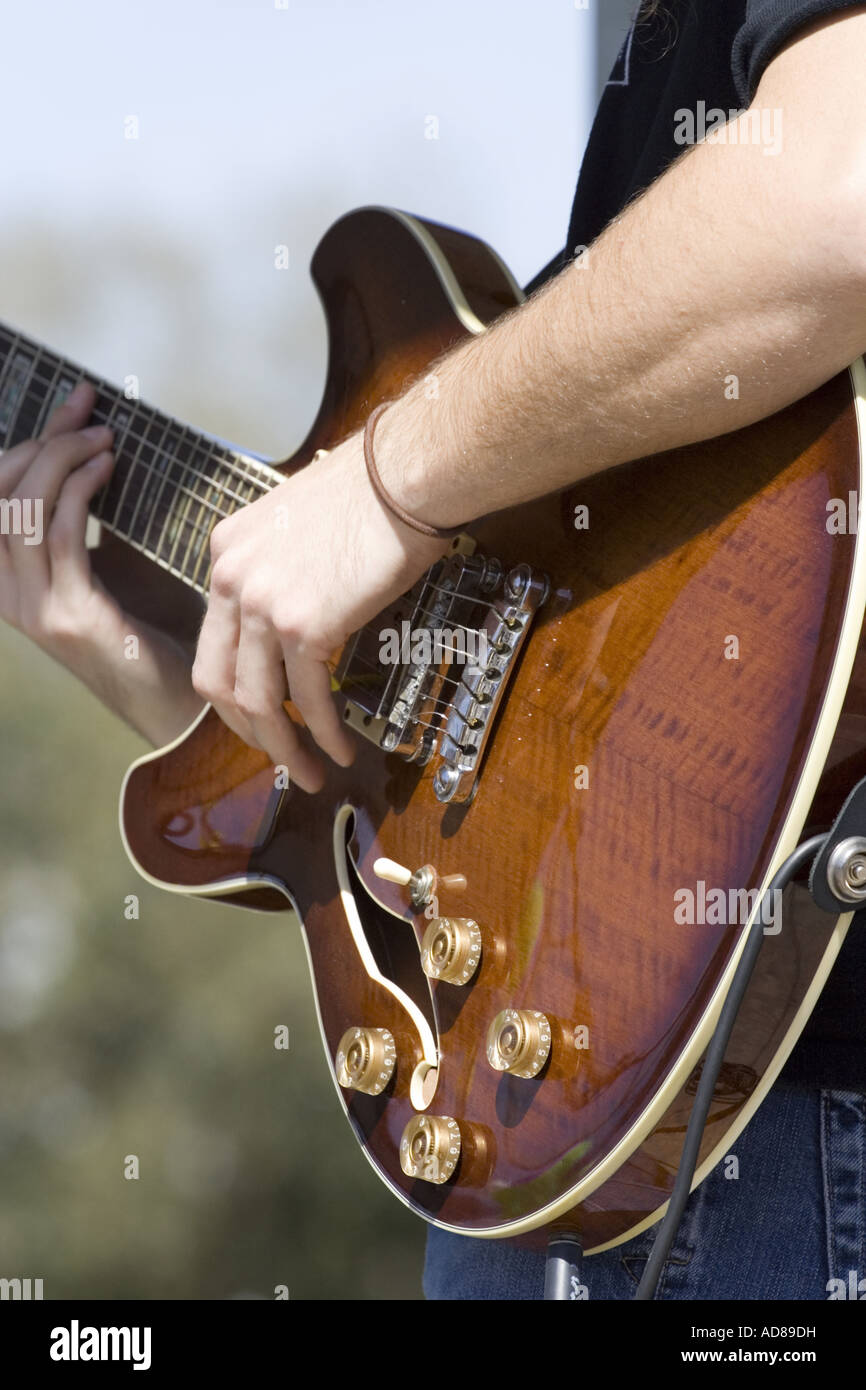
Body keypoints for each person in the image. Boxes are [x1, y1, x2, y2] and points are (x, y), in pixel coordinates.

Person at [2, 0, 866, 1299]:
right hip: (554, 1138)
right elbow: (435, 752)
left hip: (793, 1121)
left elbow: (838, 193)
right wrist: (134, 650)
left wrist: (388, 485)